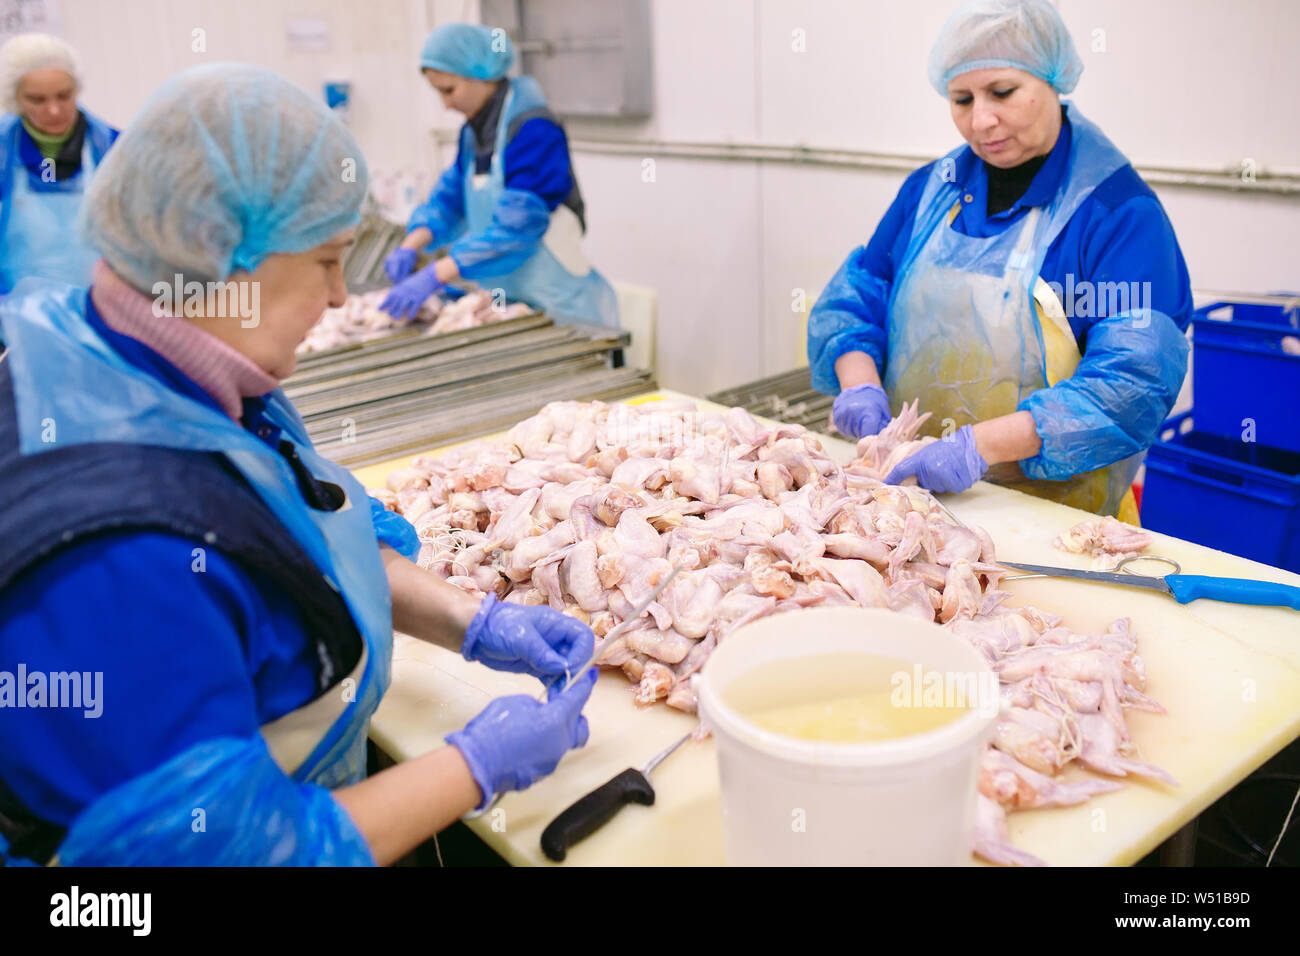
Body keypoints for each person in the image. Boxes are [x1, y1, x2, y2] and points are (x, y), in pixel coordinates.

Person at [0, 63, 596, 867]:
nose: (342, 298)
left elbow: (299, 534)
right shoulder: (118, 559)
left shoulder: (146, 360)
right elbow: (235, 855)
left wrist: (472, 622)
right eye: (325, 261)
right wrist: (473, 767)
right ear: (219, 257)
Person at [807, 0, 1191, 519]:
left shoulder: (1117, 215)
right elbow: (857, 300)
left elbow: (1129, 387)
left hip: (1058, 520)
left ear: (1053, 80)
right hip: (907, 503)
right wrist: (860, 387)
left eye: (1003, 92)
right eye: (961, 98)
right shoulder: (930, 192)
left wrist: (974, 449)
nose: (981, 120)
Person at [381, 23, 619, 328]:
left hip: (558, 307)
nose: (446, 104)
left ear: (481, 74)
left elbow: (517, 229)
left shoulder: (534, 130)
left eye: (449, 90)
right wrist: (410, 245)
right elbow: (449, 201)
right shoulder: (474, 133)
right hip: (505, 304)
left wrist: (435, 274)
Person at [0, 33, 117, 295]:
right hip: (15, 321)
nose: (54, 110)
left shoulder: (112, 148)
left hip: (102, 314)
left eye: (64, 95)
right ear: (14, 97)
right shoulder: (3, 154)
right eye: (37, 99)